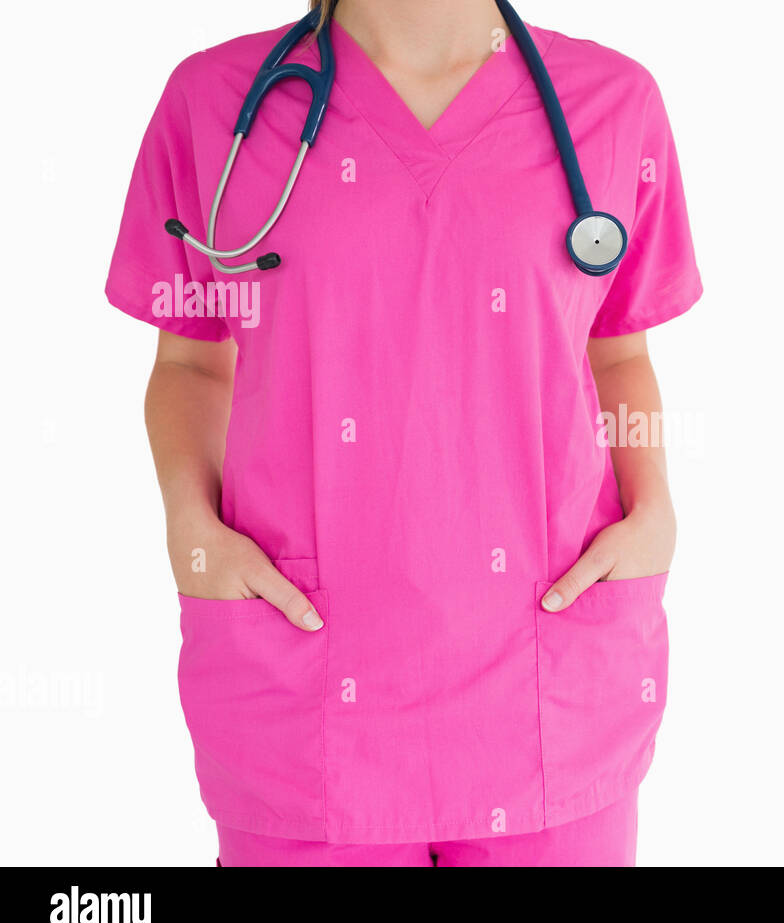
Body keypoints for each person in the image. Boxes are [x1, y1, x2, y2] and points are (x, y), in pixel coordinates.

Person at [105, 0, 702, 867]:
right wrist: (190, 530)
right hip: (302, 682)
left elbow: (615, 348)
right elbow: (193, 364)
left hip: (548, 679)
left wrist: (655, 511)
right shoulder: (215, 104)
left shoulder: (612, 104)